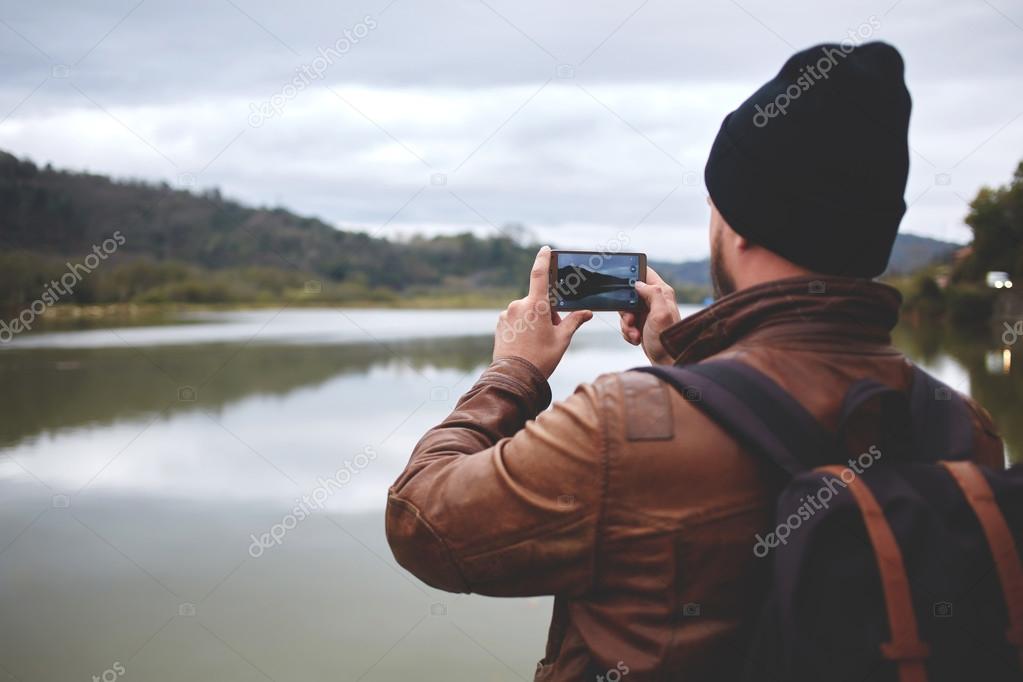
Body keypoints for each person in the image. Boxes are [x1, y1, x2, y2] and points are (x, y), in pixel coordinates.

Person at [385, 42, 1005, 680]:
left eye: (714, 202)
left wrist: (512, 372)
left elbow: (423, 524)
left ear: (740, 225)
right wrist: (692, 364)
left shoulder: (621, 424)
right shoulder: (963, 427)